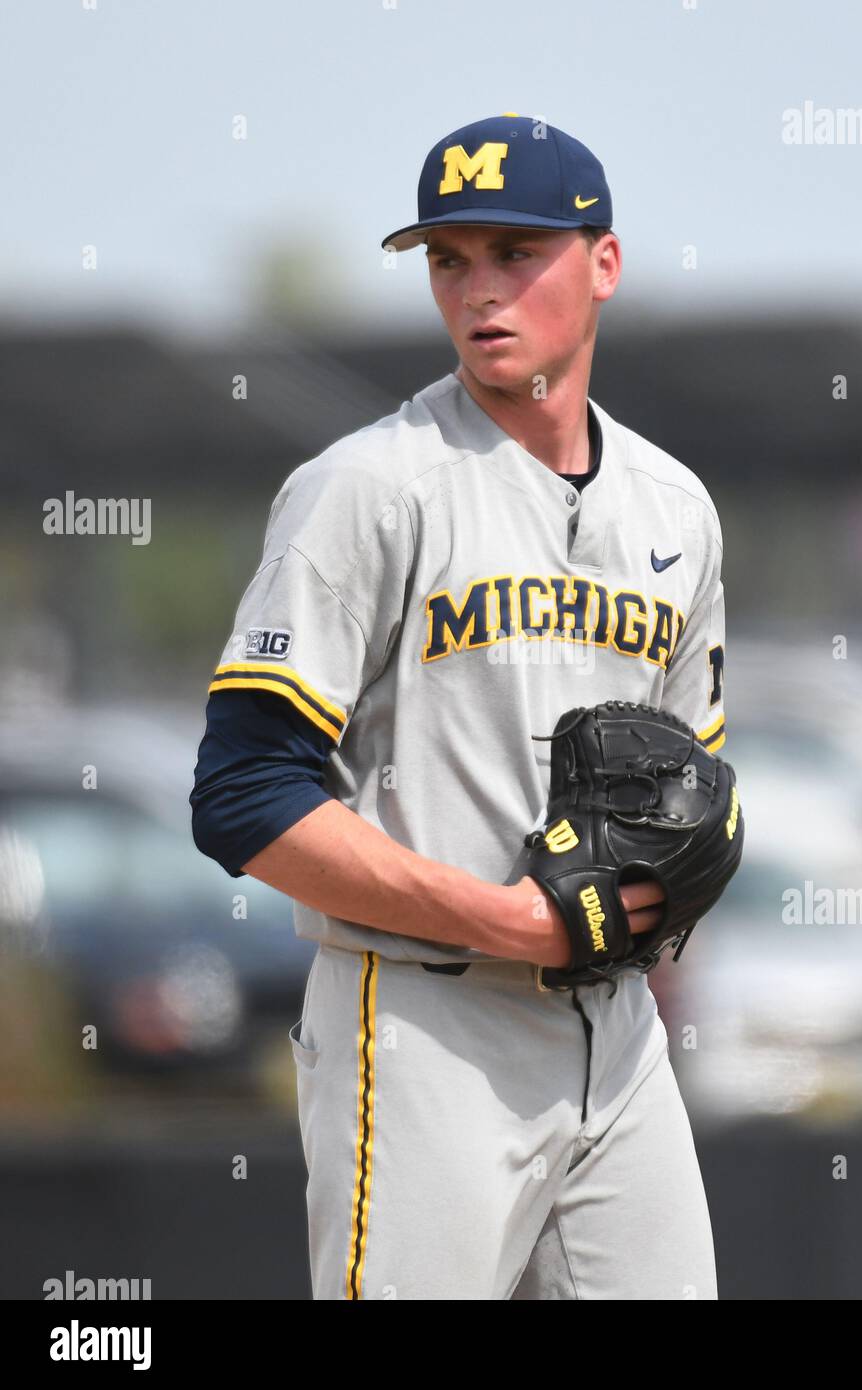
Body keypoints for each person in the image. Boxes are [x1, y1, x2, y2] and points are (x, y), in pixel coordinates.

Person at [191, 113, 730, 1300]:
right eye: (449, 258)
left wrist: (676, 879)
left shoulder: (676, 509)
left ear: (604, 263)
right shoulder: (368, 489)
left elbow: (695, 780)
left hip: (617, 1034)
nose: (479, 290)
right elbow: (242, 794)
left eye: (515, 251)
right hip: (425, 1024)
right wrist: (507, 919)